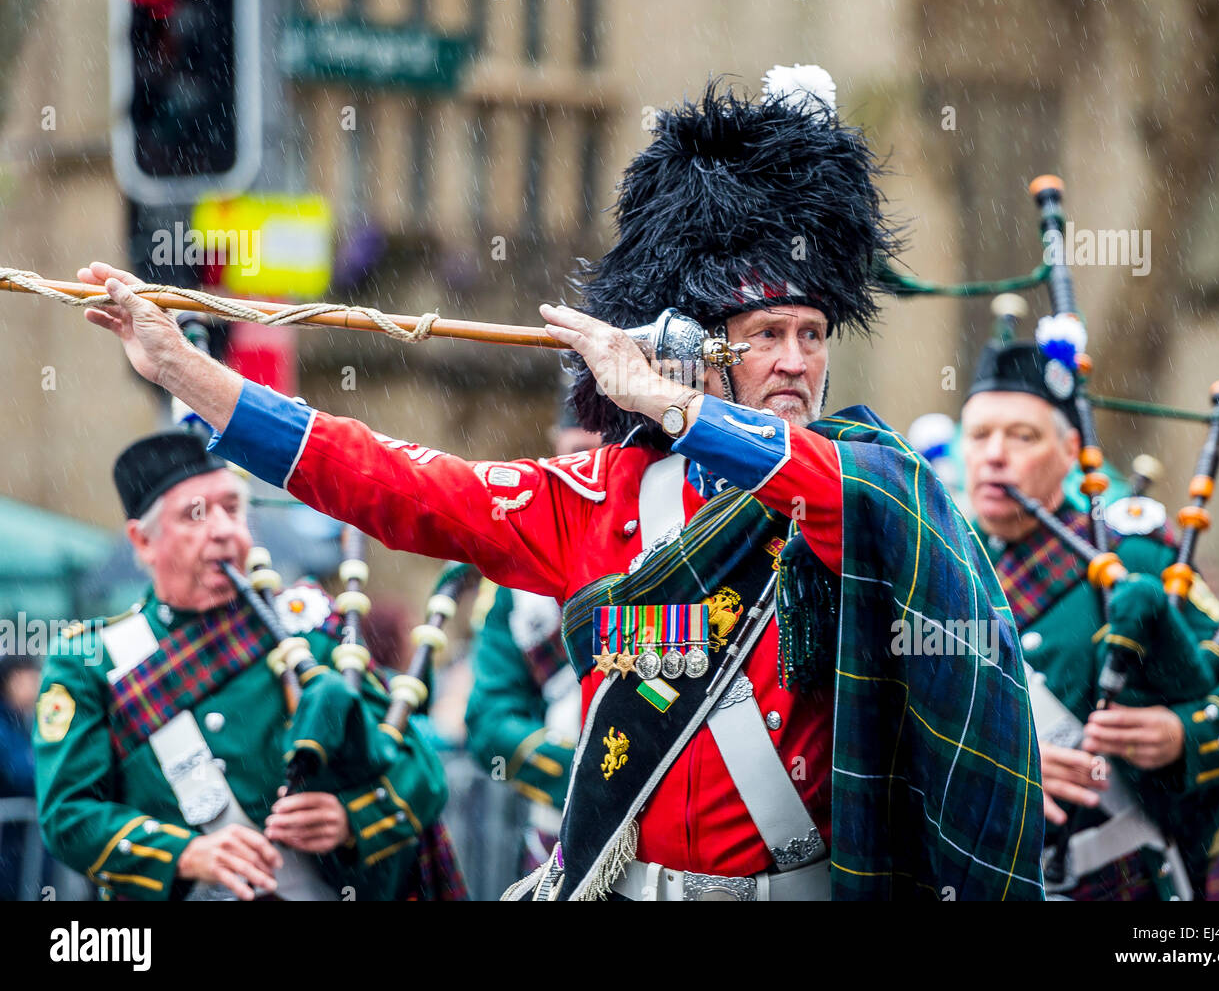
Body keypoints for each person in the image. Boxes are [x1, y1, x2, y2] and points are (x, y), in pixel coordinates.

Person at [74, 66, 1046, 901]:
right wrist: (189, 373)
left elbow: (836, 489)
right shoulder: (595, 498)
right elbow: (382, 477)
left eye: (811, 334)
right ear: (697, 345)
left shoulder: (857, 486)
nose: (795, 359)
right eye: (764, 336)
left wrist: (675, 408)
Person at [33, 430, 462, 901]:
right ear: (143, 541)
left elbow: (417, 766)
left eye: (232, 509)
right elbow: (69, 816)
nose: (223, 530)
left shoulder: (307, 626)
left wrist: (351, 819)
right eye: (195, 513)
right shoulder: (91, 661)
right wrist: (185, 855)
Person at [961, 327, 1219, 899]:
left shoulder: (1133, 557)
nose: (994, 454)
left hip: (1130, 878)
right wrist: (1003, 764)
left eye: (1022, 435)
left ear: (1069, 454)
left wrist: (1181, 734)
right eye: (979, 434)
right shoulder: (946, 570)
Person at [463, 409, 600, 871]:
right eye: (578, 454)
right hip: (558, 832)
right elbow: (489, 720)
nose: (591, 471)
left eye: (608, 453)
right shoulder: (516, 583)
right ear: (554, 449)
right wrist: (584, 777)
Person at [0, 653, 40, 900]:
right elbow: (21, 773)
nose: (37, 684)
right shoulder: (5, 723)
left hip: (17, 841)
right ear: (13, 680)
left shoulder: (20, 720)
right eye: (31, 678)